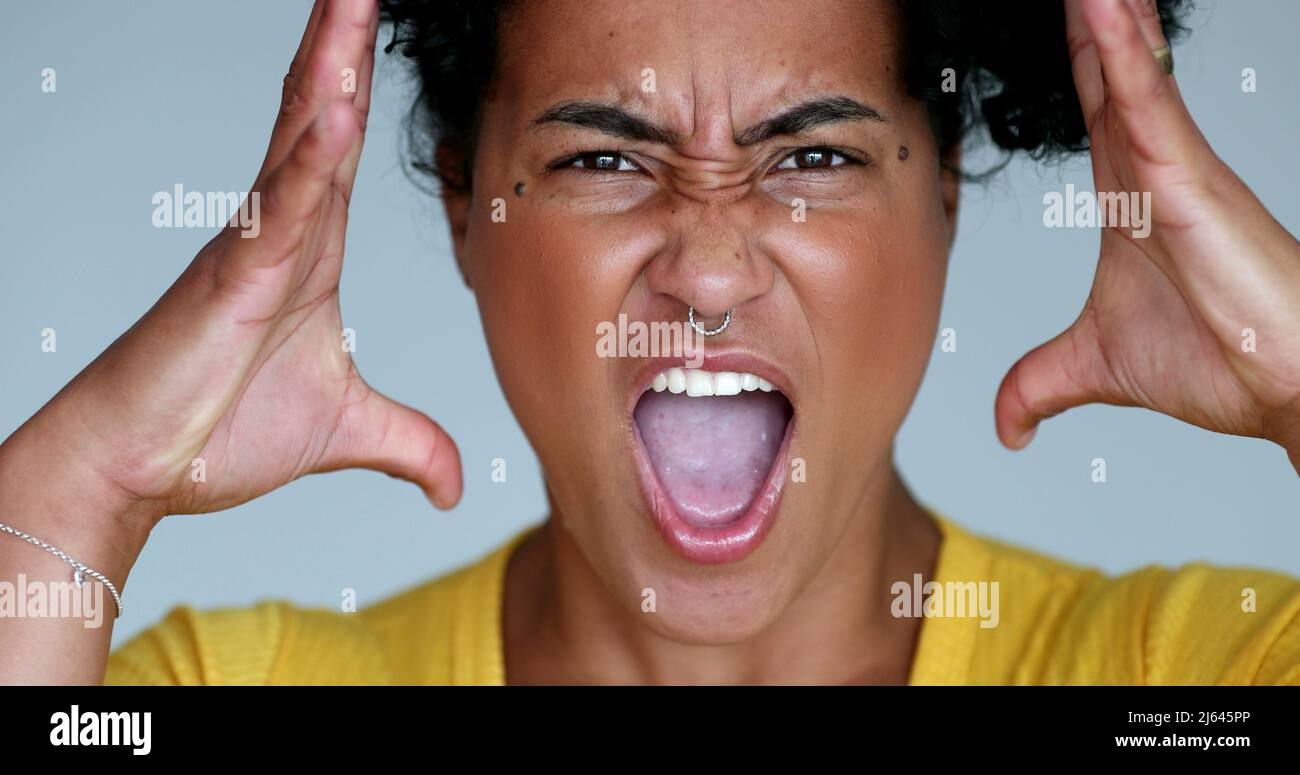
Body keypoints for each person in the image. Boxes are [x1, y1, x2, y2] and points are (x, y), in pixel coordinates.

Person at [2, 0, 1298, 685]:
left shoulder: (1193, 680)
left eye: (816, 153)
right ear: (468, 202)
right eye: (605, 156)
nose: (712, 263)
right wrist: (75, 491)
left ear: (943, 188)